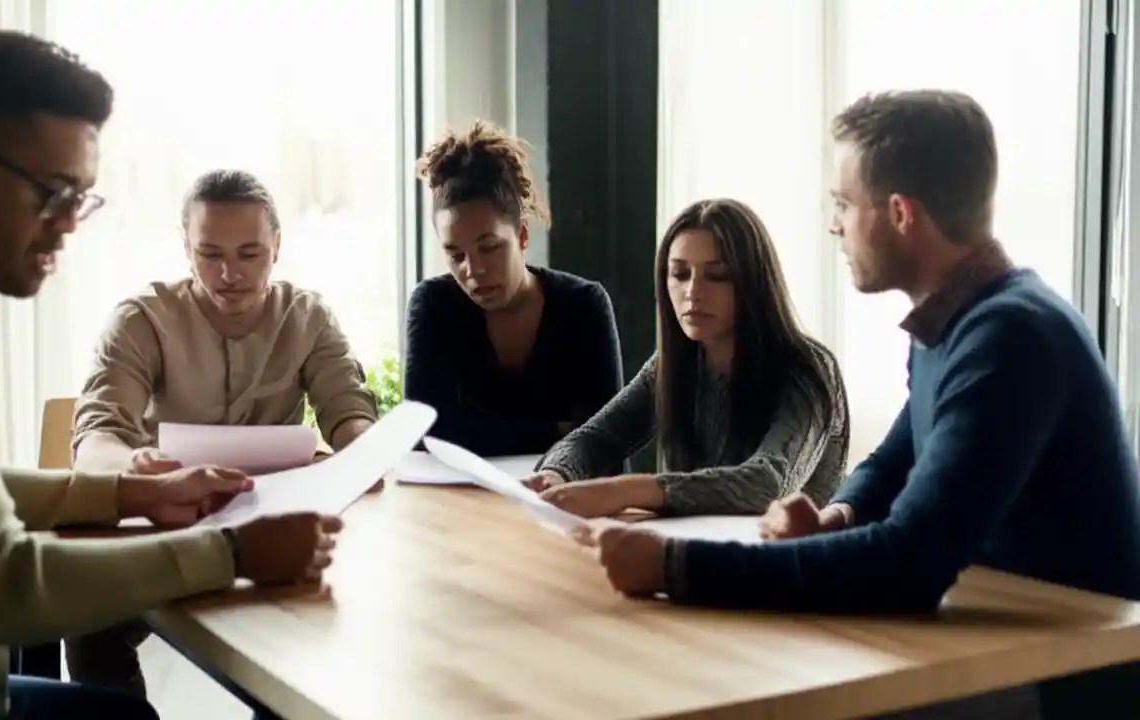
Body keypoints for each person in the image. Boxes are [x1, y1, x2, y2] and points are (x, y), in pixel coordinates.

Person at [592, 90, 1140, 718]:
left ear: (901, 213)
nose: (835, 225)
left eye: (844, 205)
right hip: (995, 634)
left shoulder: (1009, 337)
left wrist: (675, 565)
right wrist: (839, 515)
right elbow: (897, 459)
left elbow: (910, 563)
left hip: (1068, 678)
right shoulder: (958, 324)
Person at [0, 30, 341, 720]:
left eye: (80, 198)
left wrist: (128, 492)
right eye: (51, 194)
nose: (67, 226)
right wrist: (228, 551)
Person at [66, 169, 378, 694]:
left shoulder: (309, 318)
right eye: (210, 254)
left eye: (249, 254)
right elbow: (97, 433)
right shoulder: (142, 319)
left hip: (278, 532)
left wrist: (362, 451)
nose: (229, 273)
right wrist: (133, 469)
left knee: (339, 636)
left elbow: (348, 412)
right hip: (167, 525)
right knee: (89, 625)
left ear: (277, 247)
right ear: (185, 248)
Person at [526, 199, 848, 518]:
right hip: (701, 554)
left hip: (795, 562)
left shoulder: (809, 369)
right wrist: (557, 475)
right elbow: (598, 437)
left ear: (753, 282)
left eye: (717, 275)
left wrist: (623, 491)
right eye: (679, 274)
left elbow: (768, 484)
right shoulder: (676, 362)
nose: (693, 292)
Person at [404, 120, 623, 457]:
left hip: (565, 498)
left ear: (522, 236)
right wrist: (556, 430)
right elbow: (423, 437)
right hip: (459, 501)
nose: (473, 270)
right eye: (455, 254)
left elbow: (604, 441)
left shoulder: (584, 306)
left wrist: (471, 432)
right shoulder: (434, 306)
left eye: (489, 247)